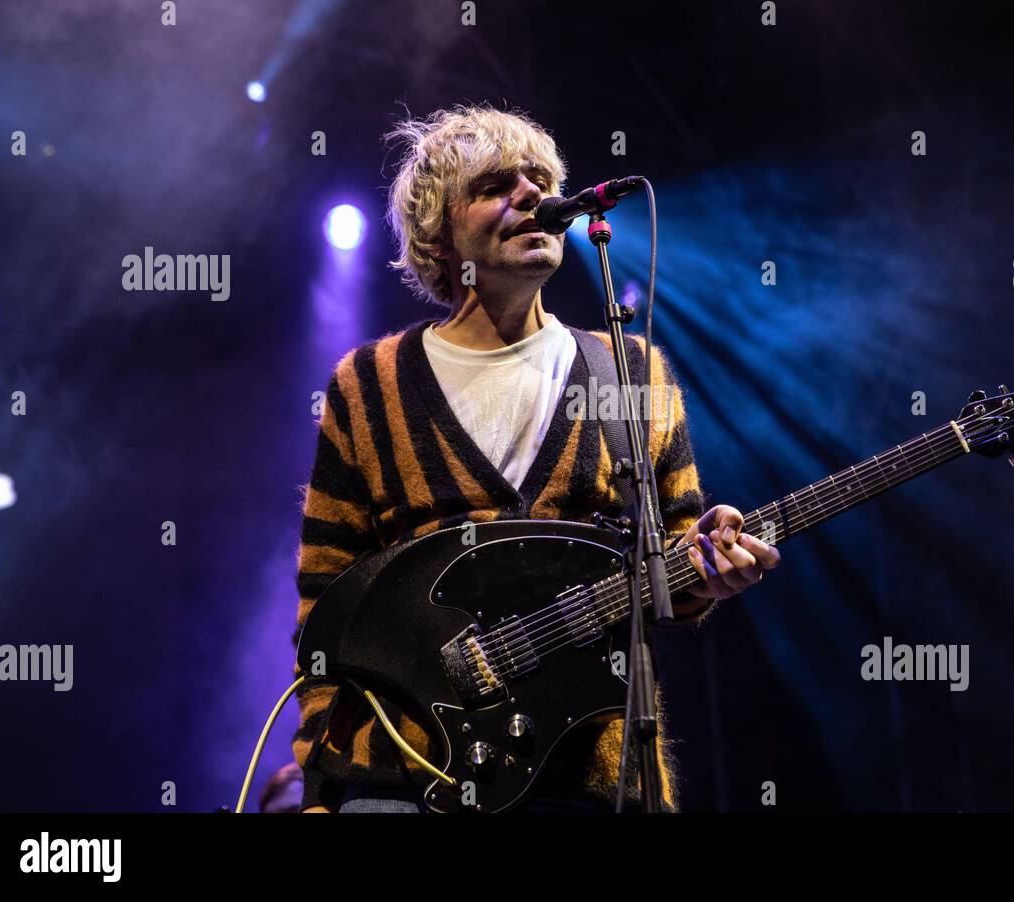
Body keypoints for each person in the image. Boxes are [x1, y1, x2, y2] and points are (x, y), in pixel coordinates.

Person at [292, 103, 781, 813]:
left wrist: (706, 566)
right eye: (496, 185)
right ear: (439, 232)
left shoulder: (632, 373)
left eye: (540, 178)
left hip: (591, 772)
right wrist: (320, 786)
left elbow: (673, 566)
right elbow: (323, 607)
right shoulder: (369, 385)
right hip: (407, 775)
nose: (532, 195)